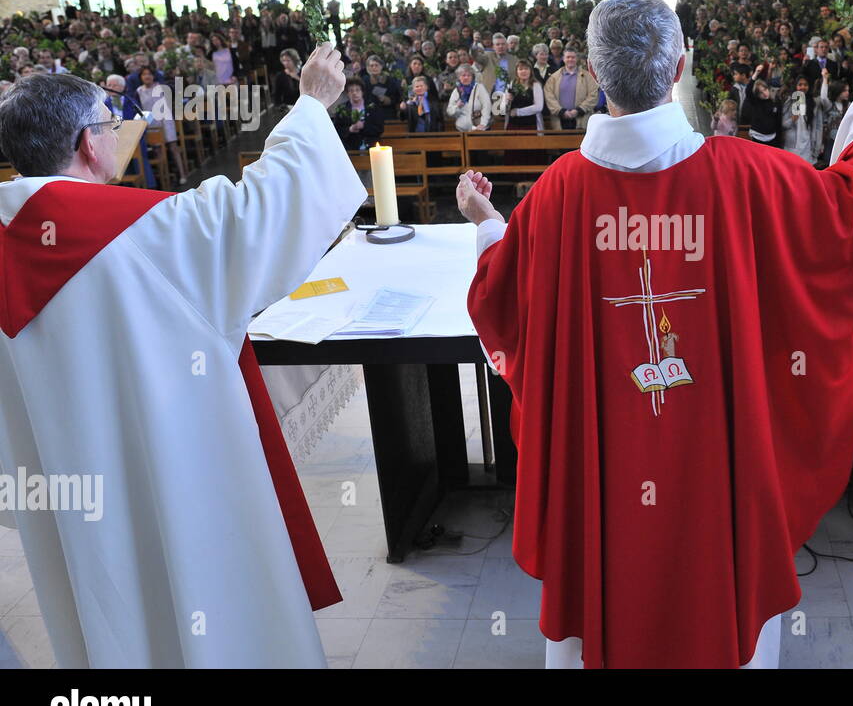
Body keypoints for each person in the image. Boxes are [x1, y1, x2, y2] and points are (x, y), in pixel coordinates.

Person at [457, 0, 853, 669]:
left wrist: (486, 222)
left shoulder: (554, 197)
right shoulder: (750, 178)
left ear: (594, 75)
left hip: (605, 492)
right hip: (717, 483)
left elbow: (503, 296)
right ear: (678, 71)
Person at [0, 44, 365, 667]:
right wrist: (311, 104)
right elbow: (263, 208)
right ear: (91, 144)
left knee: (112, 620)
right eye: (112, 127)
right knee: (203, 608)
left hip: (68, 496)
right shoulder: (139, 231)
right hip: (174, 473)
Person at [543, 46, 598, 130]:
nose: (570, 59)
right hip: (560, 119)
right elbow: (549, 96)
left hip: (581, 119)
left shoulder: (587, 76)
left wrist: (578, 110)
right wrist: (561, 111)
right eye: (568, 57)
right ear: (563, 59)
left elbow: (593, 95)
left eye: (573, 57)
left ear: (577, 59)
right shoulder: (554, 78)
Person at [335, 75, 384, 147]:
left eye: (357, 90)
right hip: (350, 147)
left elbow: (380, 129)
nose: (354, 93)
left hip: (371, 145)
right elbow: (337, 130)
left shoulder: (372, 107)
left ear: (362, 92)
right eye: (351, 90)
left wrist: (364, 126)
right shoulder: (342, 109)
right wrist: (349, 129)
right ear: (347, 93)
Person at [446, 62, 492, 131]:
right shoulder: (456, 91)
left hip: (479, 129)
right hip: (461, 130)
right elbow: (449, 111)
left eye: (469, 75)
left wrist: (483, 123)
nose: (466, 77)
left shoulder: (479, 88)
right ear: (459, 77)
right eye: (463, 75)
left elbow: (487, 106)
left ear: (472, 77)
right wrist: (457, 106)